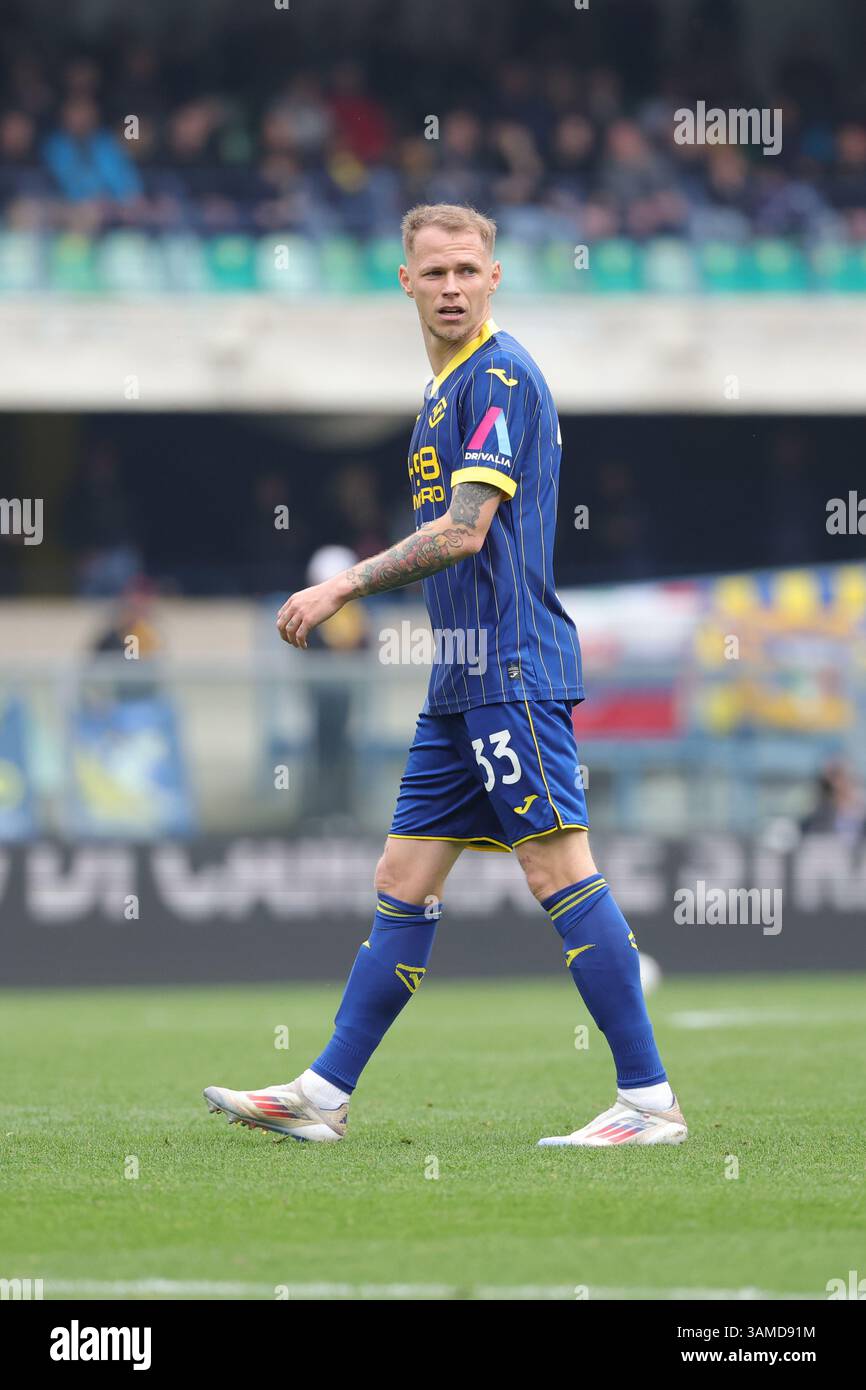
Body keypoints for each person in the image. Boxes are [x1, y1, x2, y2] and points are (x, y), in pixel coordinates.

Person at [204, 202, 687, 1148]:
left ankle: (648, 1102)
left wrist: (342, 582)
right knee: (404, 874)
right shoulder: (441, 393)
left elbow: (465, 530)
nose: (454, 287)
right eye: (435, 273)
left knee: (557, 868)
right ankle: (324, 1093)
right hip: (459, 682)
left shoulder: (501, 375)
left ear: (495, 277)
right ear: (407, 282)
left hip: (511, 667)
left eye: (469, 270)